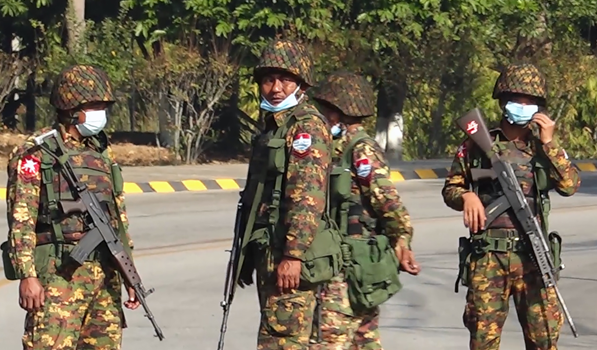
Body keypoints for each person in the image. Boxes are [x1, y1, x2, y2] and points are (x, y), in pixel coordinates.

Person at [442, 62, 581, 350]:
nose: (522, 105)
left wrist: (549, 143)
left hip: (532, 256)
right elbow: (451, 188)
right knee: (483, 340)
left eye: (529, 101)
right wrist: (466, 197)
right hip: (488, 257)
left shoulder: (544, 148)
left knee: (543, 338)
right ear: (503, 101)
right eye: (516, 99)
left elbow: (569, 186)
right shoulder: (477, 145)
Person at [3, 64, 140, 350]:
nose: (100, 112)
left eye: (103, 105)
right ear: (70, 107)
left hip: (104, 277)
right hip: (58, 276)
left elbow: (118, 218)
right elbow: (21, 218)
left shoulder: (102, 154)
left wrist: (130, 274)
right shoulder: (36, 151)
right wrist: (27, 275)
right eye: (93, 105)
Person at [309, 70, 420, 350]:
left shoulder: (360, 150)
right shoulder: (335, 148)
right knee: (364, 341)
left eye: (325, 110)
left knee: (328, 340)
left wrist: (402, 238)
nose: (321, 116)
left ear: (339, 114)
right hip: (353, 266)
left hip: (347, 269)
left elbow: (387, 200)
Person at [235, 39, 334, 350]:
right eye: (268, 80)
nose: (276, 88)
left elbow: (308, 195)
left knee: (281, 341)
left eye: (285, 80)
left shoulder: (305, 128)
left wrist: (293, 255)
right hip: (268, 250)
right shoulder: (273, 127)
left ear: (300, 83)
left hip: (289, 254)